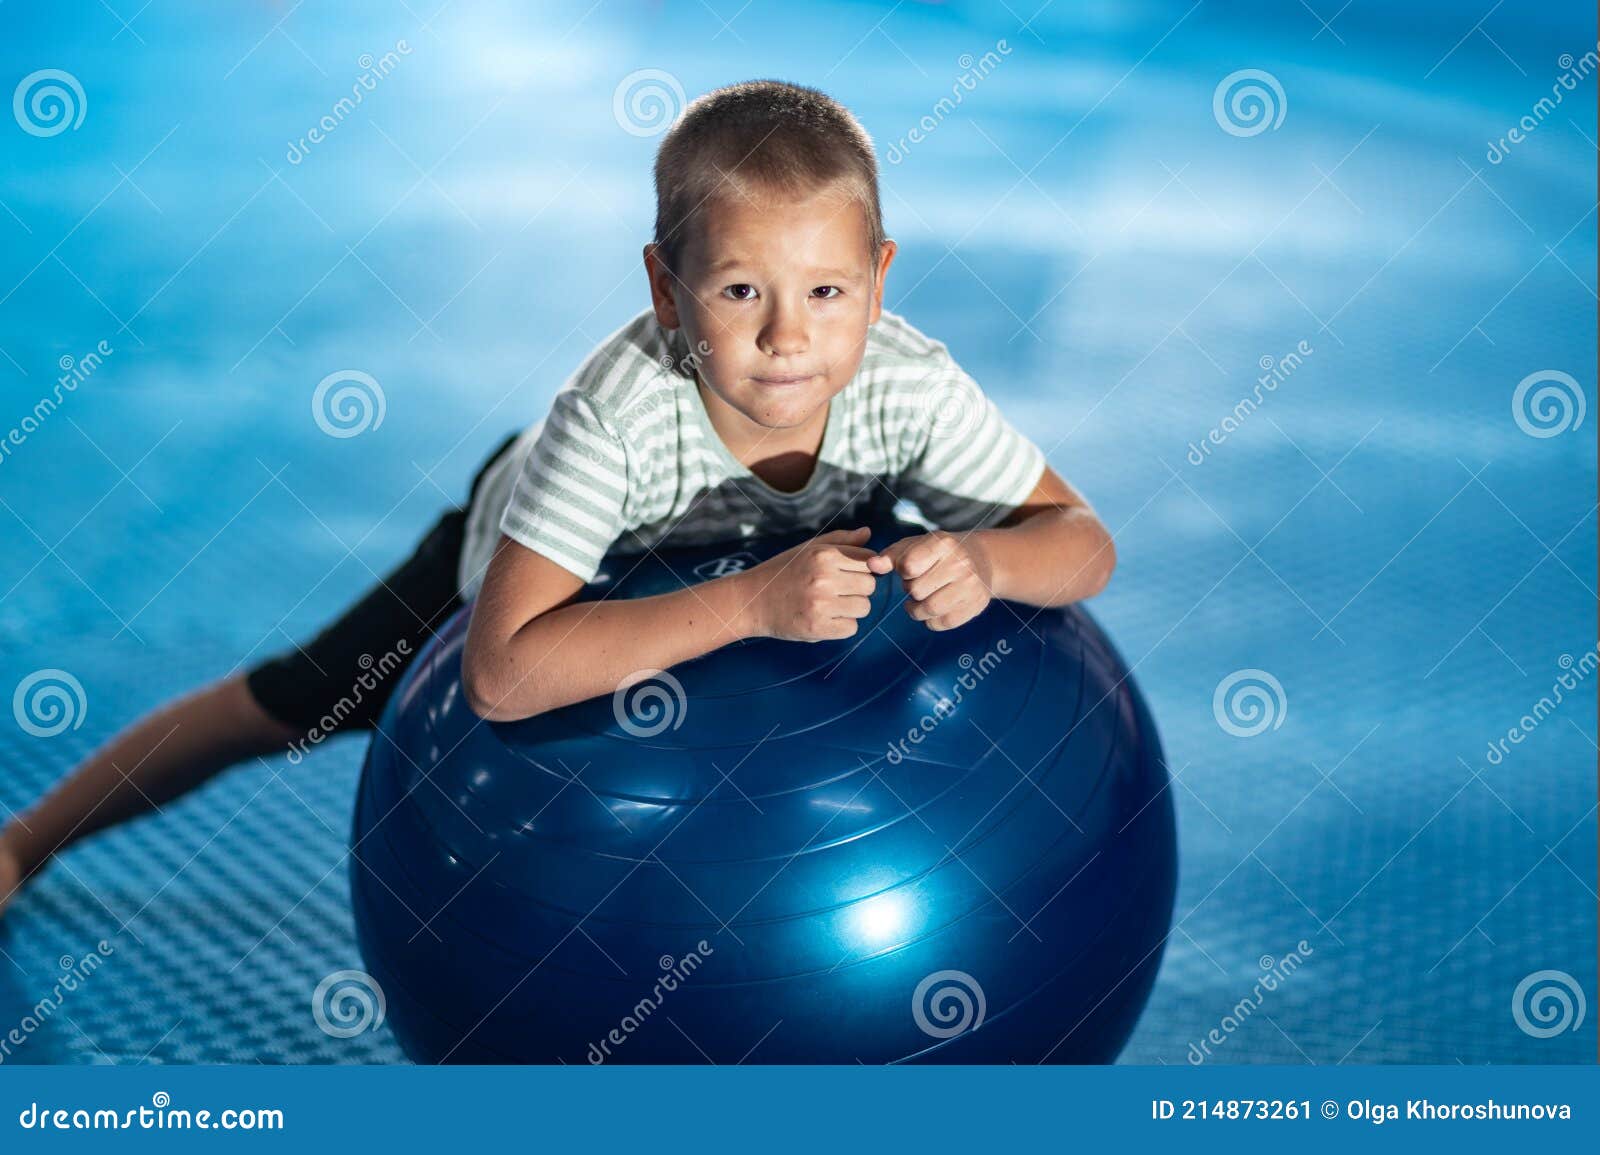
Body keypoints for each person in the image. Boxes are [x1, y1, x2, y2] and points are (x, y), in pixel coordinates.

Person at [0, 79, 1116, 919]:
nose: (788, 336)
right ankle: (25, 840)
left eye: (826, 291)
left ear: (878, 279)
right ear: (664, 290)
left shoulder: (908, 383)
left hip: (771, 568)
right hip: (533, 548)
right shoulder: (615, 419)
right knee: (292, 703)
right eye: (740, 291)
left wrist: (990, 564)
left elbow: (1082, 544)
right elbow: (502, 672)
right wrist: (749, 605)